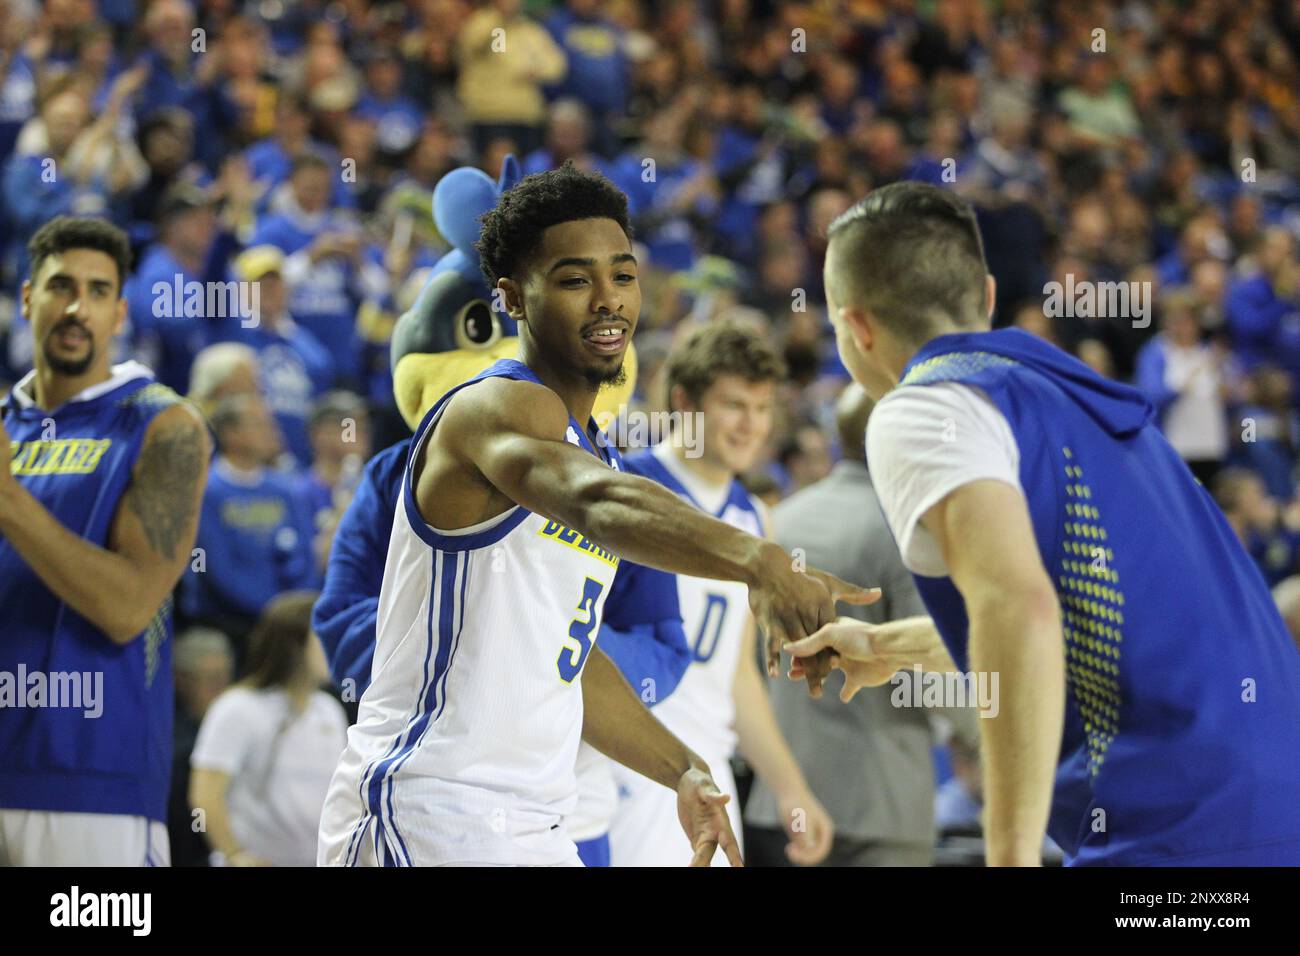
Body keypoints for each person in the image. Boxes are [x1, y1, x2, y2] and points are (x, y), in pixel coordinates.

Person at [316, 163, 871, 867]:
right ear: (514, 297)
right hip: (431, 803)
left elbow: (569, 659)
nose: (608, 300)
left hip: (538, 820)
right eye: (576, 280)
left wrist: (681, 767)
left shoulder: (599, 452)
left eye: (624, 275)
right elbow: (594, 501)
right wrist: (755, 560)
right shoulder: (495, 407)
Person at [789, 180, 1300, 866]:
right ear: (990, 298)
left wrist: (1010, 856)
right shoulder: (1084, 400)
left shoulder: (922, 404)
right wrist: (891, 649)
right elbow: (1075, 616)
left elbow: (1019, 610)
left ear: (855, 327)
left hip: (1174, 835)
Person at [0, 216, 210, 866]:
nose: (75, 307)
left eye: (96, 292)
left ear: (119, 312)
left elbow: (127, 607)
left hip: (93, 791)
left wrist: (9, 501)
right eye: (61, 287)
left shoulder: (164, 424)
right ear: (29, 297)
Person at [608, 322, 834, 867]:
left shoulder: (754, 517)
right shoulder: (623, 486)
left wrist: (789, 787)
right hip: (628, 763)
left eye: (762, 409)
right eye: (734, 405)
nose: (751, 425)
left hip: (708, 767)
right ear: (683, 401)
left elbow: (737, 674)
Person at [745, 384, 973, 867]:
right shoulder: (908, 532)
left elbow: (746, 662)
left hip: (780, 799)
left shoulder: (774, 523)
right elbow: (932, 664)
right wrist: (990, 736)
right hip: (880, 803)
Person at [190, 592, 347, 866]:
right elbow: (205, 794)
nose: (335, 645)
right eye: (323, 635)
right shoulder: (237, 707)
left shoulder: (330, 711)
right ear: (294, 645)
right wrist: (235, 854)